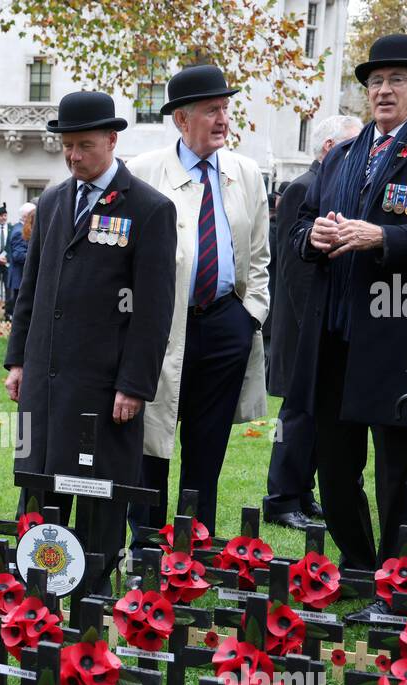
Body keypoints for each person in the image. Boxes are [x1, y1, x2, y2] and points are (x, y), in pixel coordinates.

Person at [288, 34, 407, 624]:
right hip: (332, 337)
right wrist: (313, 239)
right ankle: (356, 563)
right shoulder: (342, 156)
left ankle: (397, 583)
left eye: (396, 79)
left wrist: (388, 238)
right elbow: (297, 224)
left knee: (398, 470)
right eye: (374, 81)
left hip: (397, 337)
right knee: (333, 463)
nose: (383, 90)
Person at [5, 91, 177, 591]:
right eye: (66, 146)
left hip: (105, 387)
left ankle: (94, 590)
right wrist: (17, 360)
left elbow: (153, 308)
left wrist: (135, 385)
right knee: (37, 484)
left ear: (111, 140)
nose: (74, 155)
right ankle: (35, 579)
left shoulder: (149, 208)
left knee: (100, 491)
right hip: (44, 380)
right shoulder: (55, 201)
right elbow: (30, 288)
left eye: (84, 145)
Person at [127, 65, 271, 537]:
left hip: (226, 323)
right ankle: (147, 545)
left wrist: (251, 316)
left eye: (226, 109)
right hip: (162, 327)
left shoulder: (246, 173)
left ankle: (195, 545)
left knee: (207, 446)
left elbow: (259, 257)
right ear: (181, 120)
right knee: (152, 436)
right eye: (212, 110)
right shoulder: (145, 171)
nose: (223, 119)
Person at [262, 114, 361, 528]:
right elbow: (294, 268)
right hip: (303, 328)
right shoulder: (304, 187)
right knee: (297, 416)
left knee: (314, 415)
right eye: (351, 145)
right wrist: (314, 329)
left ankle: (302, 491)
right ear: (329, 148)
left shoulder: (330, 187)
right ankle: (282, 498)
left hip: (319, 328)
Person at [6, 201, 33, 318]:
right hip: (20, 275)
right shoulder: (19, 231)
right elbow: (18, 255)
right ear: (26, 216)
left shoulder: (21, 228)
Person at [0, 204, 12, 315]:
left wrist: (5, 257)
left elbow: (11, 245)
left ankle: (8, 313)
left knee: (8, 289)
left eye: (5, 215)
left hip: (7, 262)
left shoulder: (11, 228)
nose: (3, 218)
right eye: (1, 216)